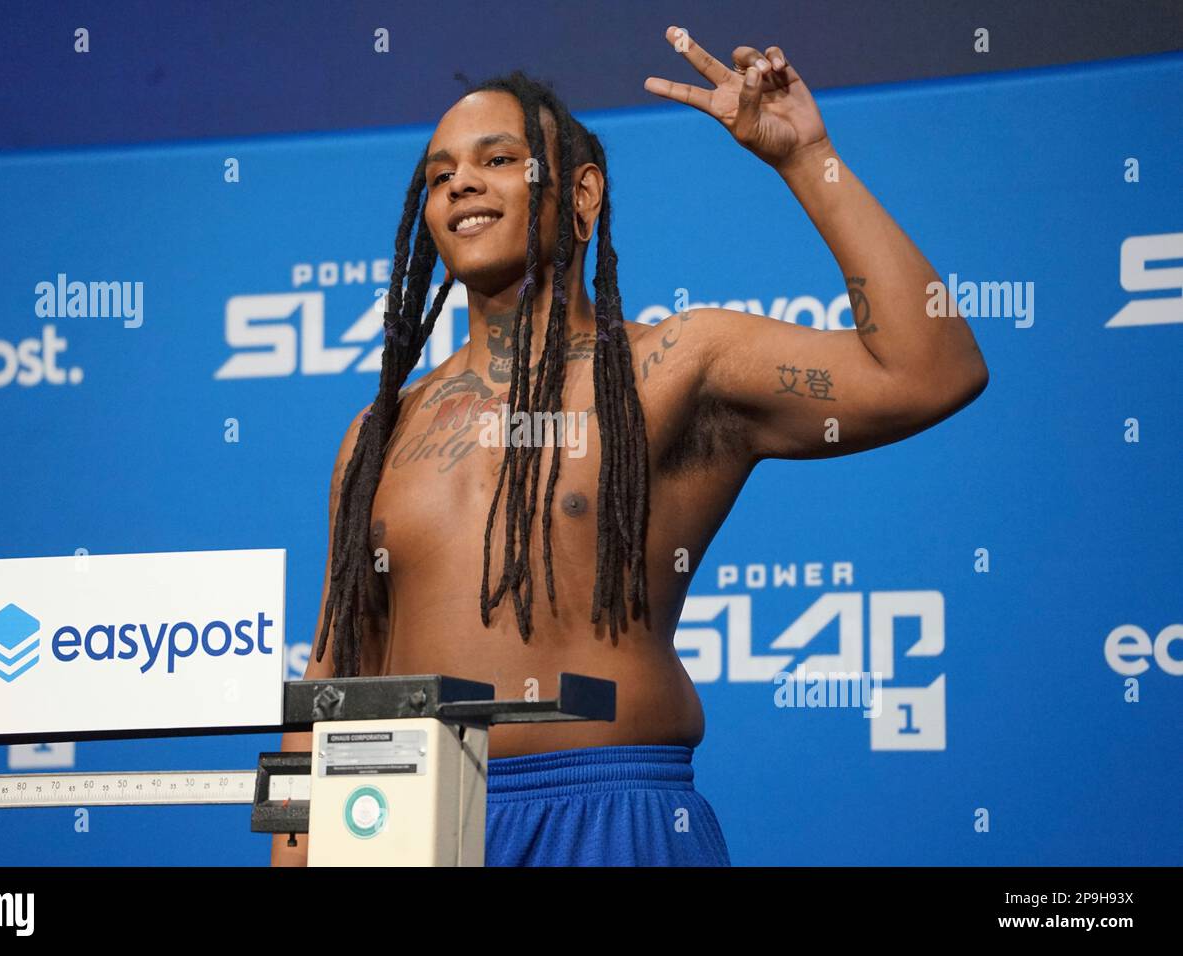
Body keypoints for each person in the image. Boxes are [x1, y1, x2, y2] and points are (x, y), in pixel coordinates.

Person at [272, 27, 988, 866]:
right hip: (405, 827)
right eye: (438, 174)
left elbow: (931, 369)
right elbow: (336, 675)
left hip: (611, 815)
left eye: (498, 160)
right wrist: (295, 853)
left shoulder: (675, 367)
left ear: (581, 195)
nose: (460, 179)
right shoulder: (380, 429)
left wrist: (808, 160)